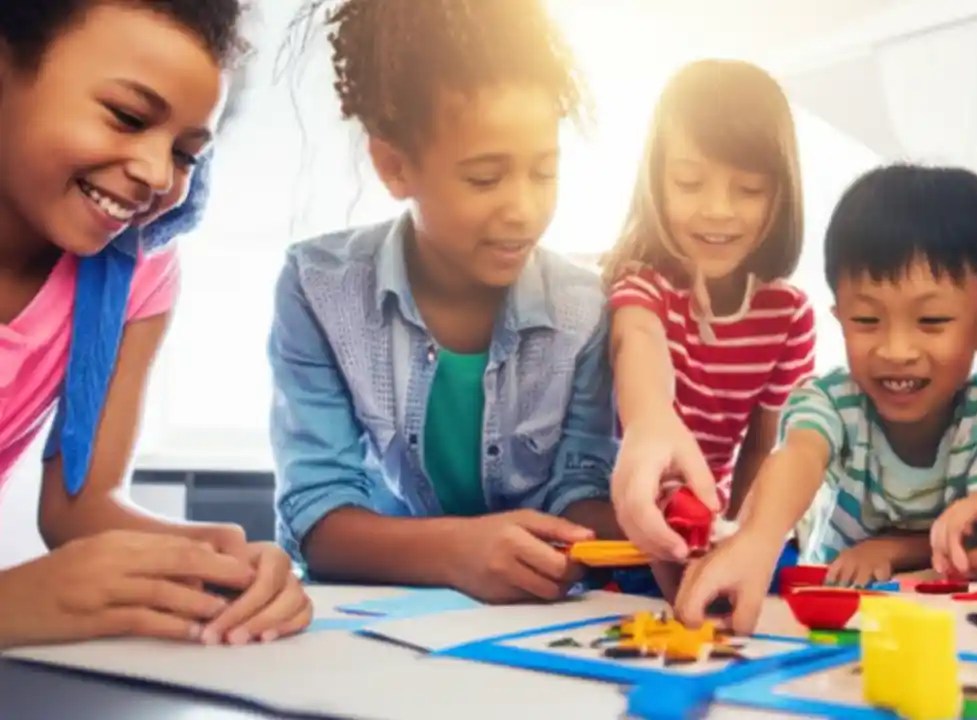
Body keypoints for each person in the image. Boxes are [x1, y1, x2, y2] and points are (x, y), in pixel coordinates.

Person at [270, 0, 618, 604]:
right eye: (485, 178)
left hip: (532, 626)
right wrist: (460, 551)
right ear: (394, 166)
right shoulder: (318, 290)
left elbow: (579, 488)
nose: (524, 210)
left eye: (544, 173)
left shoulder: (585, 310)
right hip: (375, 619)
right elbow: (317, 515)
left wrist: (660, 535)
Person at [0, 0, 309, 649]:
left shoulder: (134, 274)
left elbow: (78, 509)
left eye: (188, 153)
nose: (156, 173)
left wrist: (216, 559)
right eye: (128, 117)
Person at [675, 165, 977, 633]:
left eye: (932, 321)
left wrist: (891, 549)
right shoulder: (831, 401)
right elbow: (800, 453)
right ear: (839, 318)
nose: (896, 351)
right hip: (836, 633)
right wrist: (756, 538)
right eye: (867, 321)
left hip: (966, 637)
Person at [605, 60, 814, 565]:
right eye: (689, 182)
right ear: (657, 182)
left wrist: (738, 538)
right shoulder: (644, 285)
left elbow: (762, 452)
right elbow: (636, 338)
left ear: (780, 194)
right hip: (623, 524)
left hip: (704, 526)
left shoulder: (787, 315)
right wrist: (651, 420)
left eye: (748, 190)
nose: (719, 210)